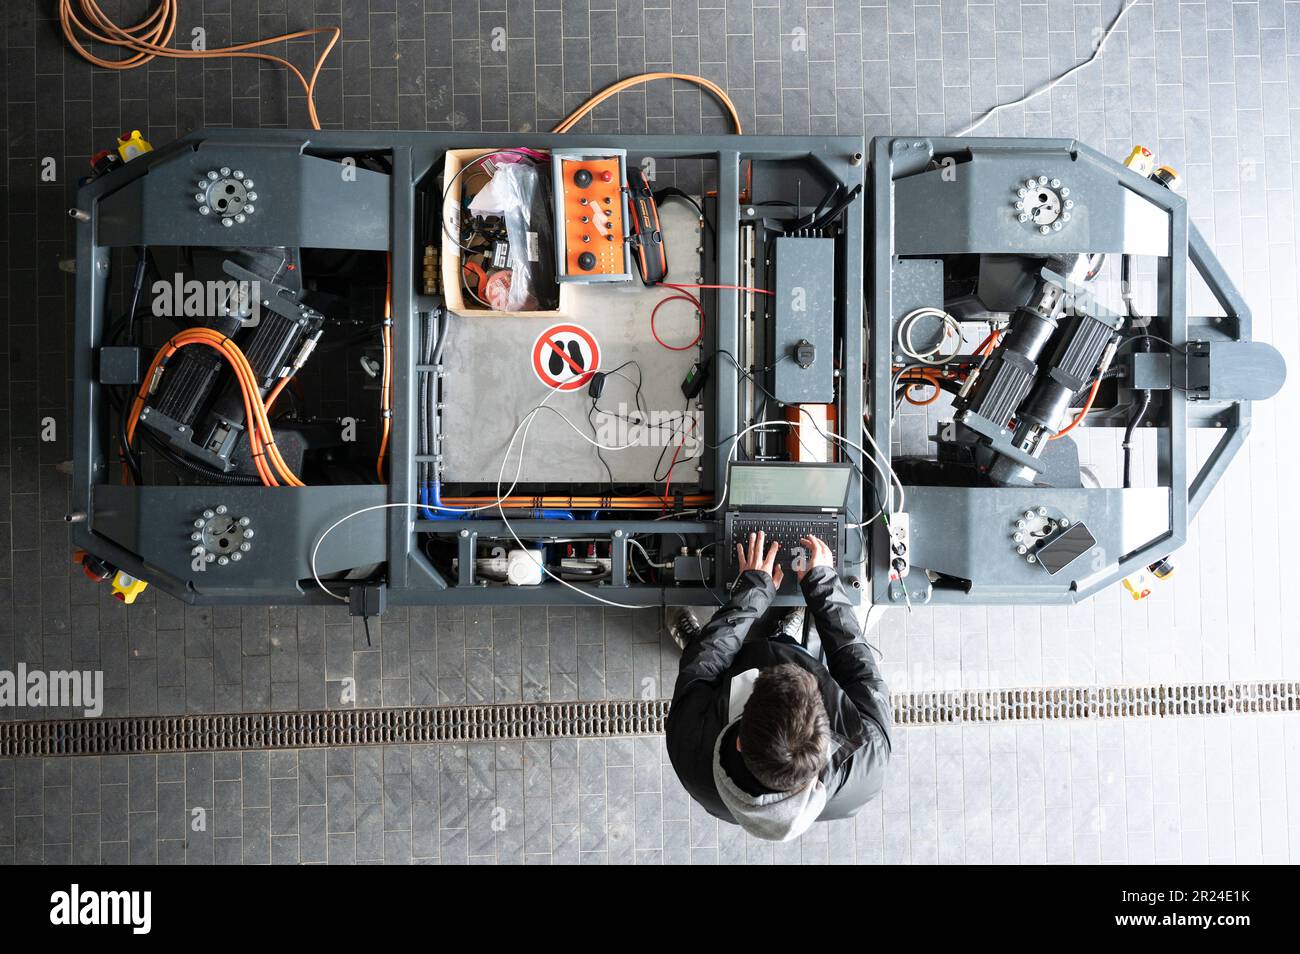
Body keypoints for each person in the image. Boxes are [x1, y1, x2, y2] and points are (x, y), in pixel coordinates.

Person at [664, 532, 891, 842]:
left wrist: (751, 593)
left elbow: (699, 671)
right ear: (823, 732)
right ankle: (788, 637)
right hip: (798, 658)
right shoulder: (868, 758)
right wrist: (823, 586)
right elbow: (858, 668)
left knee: (703, 657)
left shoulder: (690, 753)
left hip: (738, 664)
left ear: (739, 741)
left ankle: (700, 637)